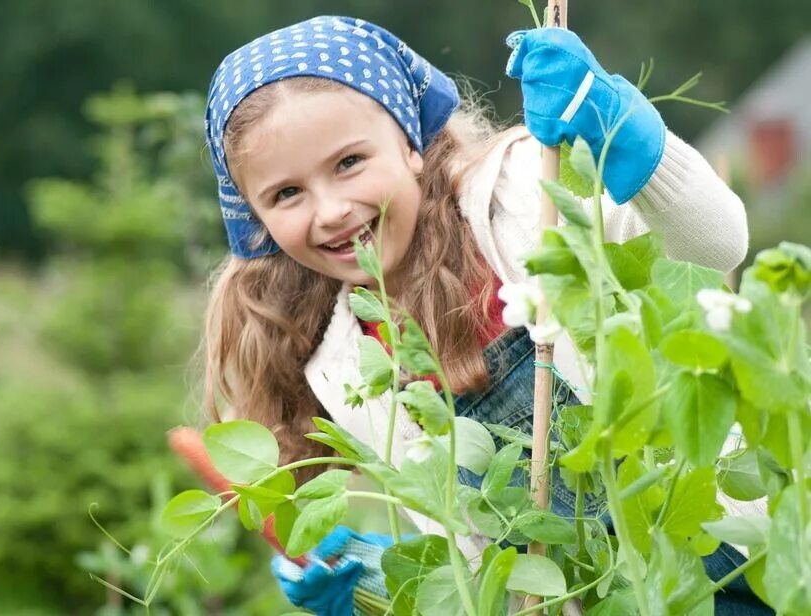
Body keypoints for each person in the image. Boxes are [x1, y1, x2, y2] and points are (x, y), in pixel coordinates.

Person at [201, 15, 765, 616]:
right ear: (256, 218)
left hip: (741, 551)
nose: (332, 209)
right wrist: (385, 586)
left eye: (349, 163)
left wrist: (622, 129)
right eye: (287, 194)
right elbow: (478, 559)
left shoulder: (519, 193)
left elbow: (717, 246)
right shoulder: (340, 364)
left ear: (410, 144)